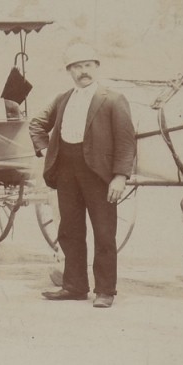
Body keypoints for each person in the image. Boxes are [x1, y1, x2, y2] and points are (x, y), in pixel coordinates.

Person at [29, 43, 136, 308]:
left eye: (88, 65)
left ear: (96, 67)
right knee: (69, 231)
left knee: (104, 233)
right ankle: (74, 286)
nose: (83, 71)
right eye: (77, 67)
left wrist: (120, 176)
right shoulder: (63, 99)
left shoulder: (113, 99)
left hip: (99, 175)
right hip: (66, 171)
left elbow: (126, 142)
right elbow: (37, 124)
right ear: (69, 71)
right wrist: (46, 151)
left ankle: (105, 291)